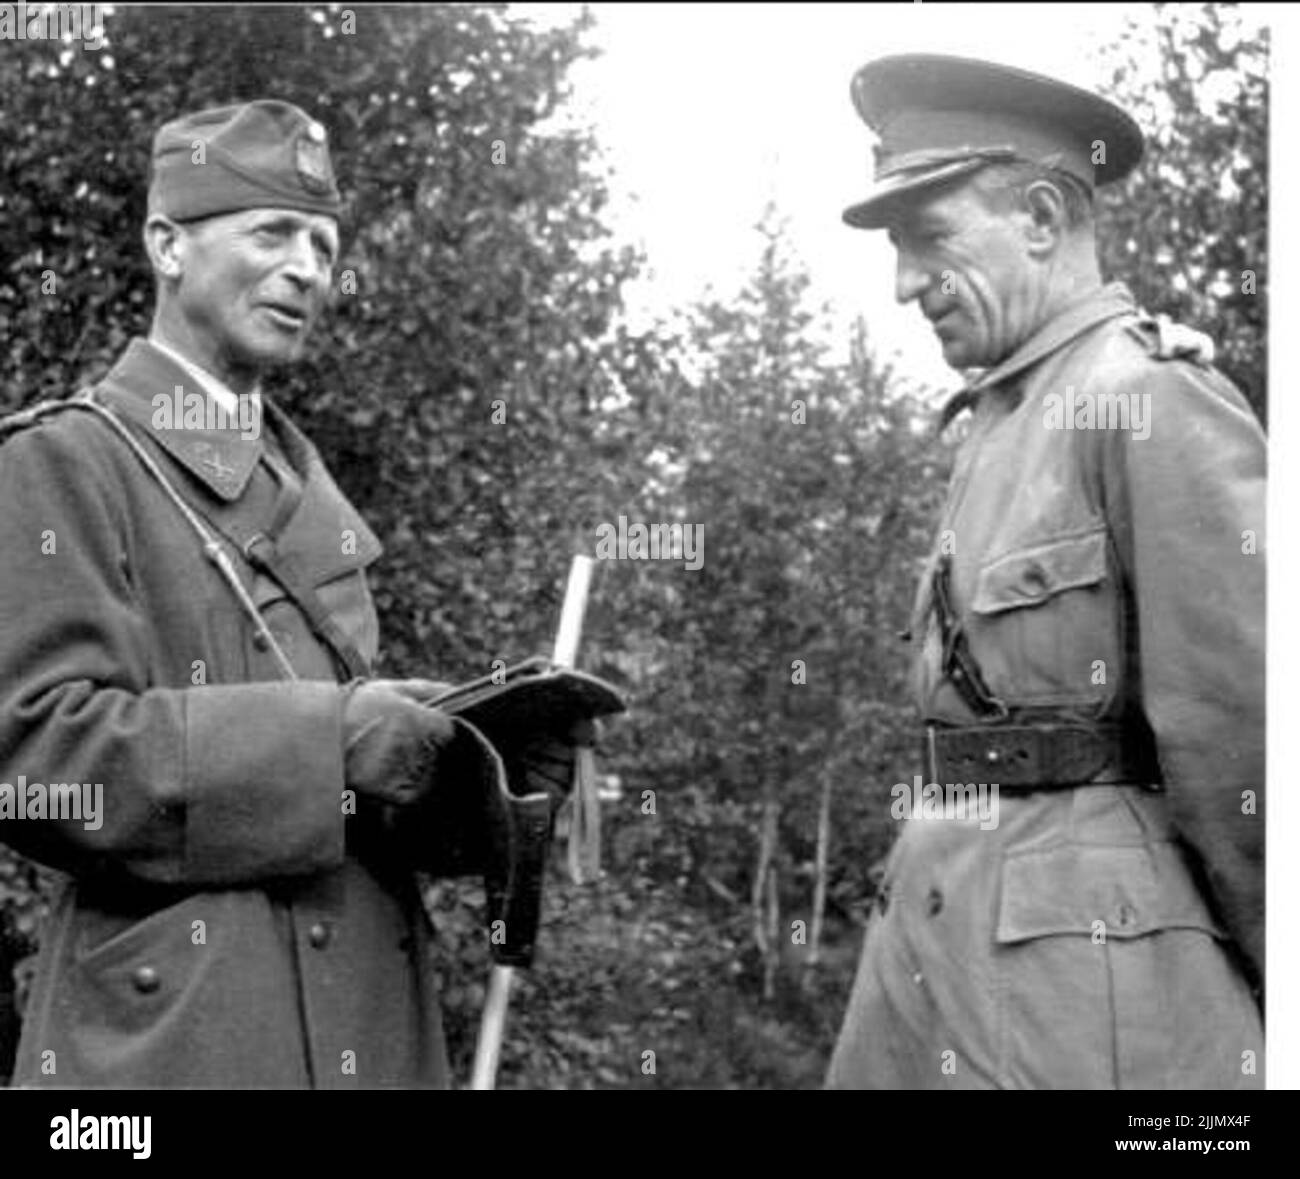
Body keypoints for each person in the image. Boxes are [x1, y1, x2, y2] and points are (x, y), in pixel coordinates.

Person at [0, 99, 578, 1088]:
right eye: (272, 231)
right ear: (167, 246)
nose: (309, 267)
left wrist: (470, 769)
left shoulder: (309, 500)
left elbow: (345, 802)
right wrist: (337, 739)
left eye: (322, 240)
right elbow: (38, 754)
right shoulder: (64, 463)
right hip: (184, 1042)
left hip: (370, 1021)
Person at [826, 55, 1264, 1089]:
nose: (903, 286)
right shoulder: (996, 421)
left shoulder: (1149, 398)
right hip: (931, 951)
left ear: (1037, 215)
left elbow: (1245, 745)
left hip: (1083, 993)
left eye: (928, 239)